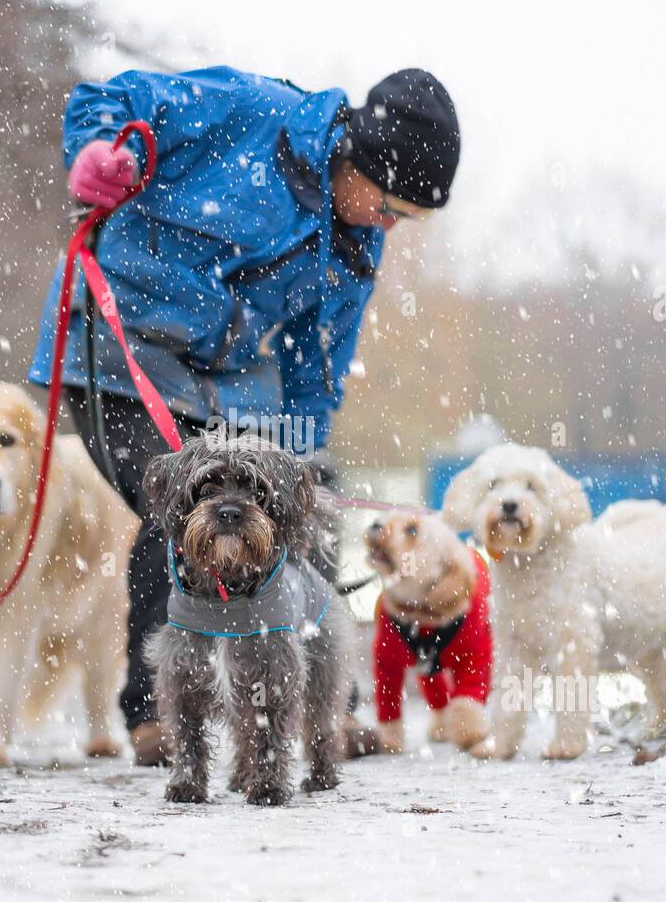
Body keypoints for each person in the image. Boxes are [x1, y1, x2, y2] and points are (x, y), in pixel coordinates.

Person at [28, 65, 460, 764]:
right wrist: (110, 152)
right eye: (390, 206)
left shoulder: (352, 244)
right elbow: (110, 98)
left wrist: (306, 454)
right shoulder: (250, 112)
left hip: (223, 379)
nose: (389, 225)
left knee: (295, 506)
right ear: (357, 159)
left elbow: (315, 366)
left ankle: (323, 708)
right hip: (117, 344)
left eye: (407, 219)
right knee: (177, 499)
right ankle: (161, 713)